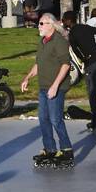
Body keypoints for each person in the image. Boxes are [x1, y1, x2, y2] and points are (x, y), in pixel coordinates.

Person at [20, 12, 74, 168]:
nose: (39, 26)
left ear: (51, 25)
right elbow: (39, 63)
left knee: (55, 119)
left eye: (42, 23)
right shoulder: (42, 41)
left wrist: (55, 85)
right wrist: (27, 77)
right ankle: (50, 149)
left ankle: (66, 150)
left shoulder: (59, 41)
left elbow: (66, 65)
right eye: (39, 23)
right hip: (44, 87)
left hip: (56, 87)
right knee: (43, 119)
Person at [62, 10, 96, 132]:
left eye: (64, 20)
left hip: (91, 63)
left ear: (69, 21)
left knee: (91, 93)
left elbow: (75, 50)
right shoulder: (85, 27)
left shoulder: (72, 34)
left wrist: (84, 58)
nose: (63, 22)